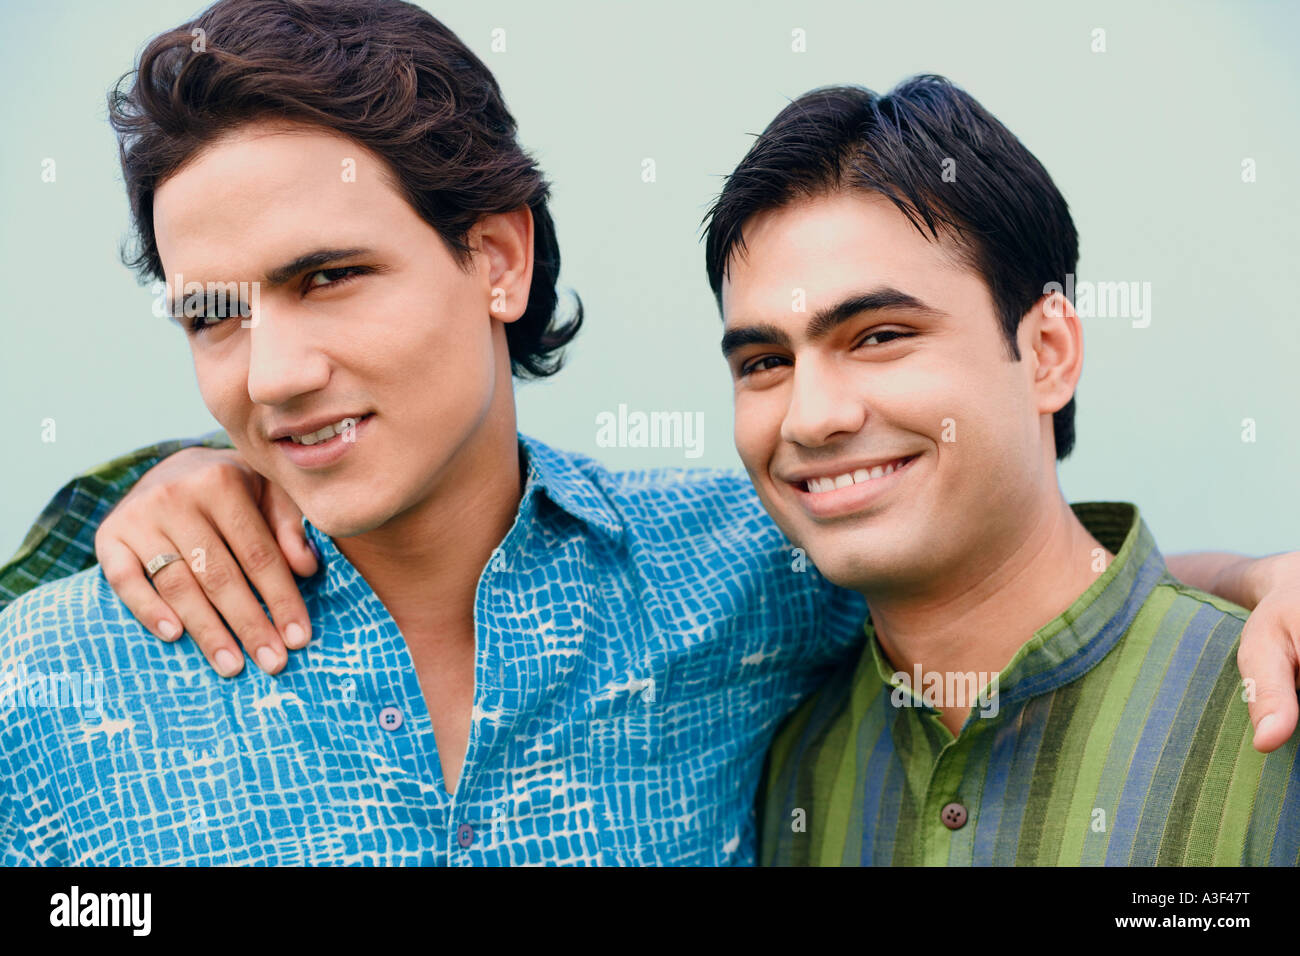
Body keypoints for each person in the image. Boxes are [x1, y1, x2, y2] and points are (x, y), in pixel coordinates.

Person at [2, 2, 1297, 866]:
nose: (275, 375)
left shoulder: (738, 579)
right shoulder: (45, 685)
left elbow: (991, 572)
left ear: (496, 259)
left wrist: (1258, 588)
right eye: (214, 316)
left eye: (330, 276)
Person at [697, 79, 1299, 865]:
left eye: (878, 336)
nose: (812, 417)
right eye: (766, 361)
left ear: (1048, 354)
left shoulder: (1268, 708)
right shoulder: (787, 766)